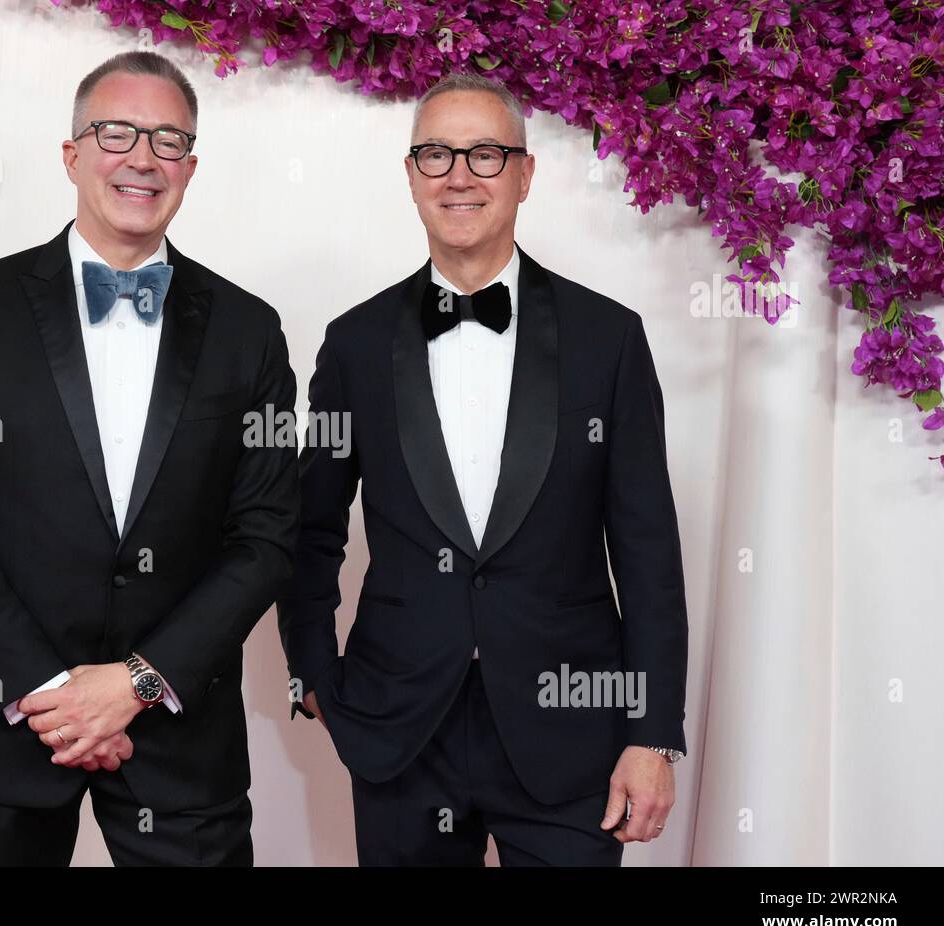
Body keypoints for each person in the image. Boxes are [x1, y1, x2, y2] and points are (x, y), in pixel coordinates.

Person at [277, 73, 688, 866]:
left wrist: (651, 735)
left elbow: (647, 556)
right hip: (399, 729)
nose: (458, 174)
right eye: (435, 153)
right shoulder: (354, 343)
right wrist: (315, 677)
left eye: (485, 154)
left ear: (525, 175)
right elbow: (309, 528)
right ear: (409, 175)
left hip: (571, 733)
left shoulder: (610, 339)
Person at [0, 50, 298, 866]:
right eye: (116, 132)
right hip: (5, 723)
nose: (142, 157)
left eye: (168, 139)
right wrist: (54, 696)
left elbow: (265, 538)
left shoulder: (249, 330)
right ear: (71, 153)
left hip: (180, 730)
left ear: (190, 166)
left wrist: (135, 685)